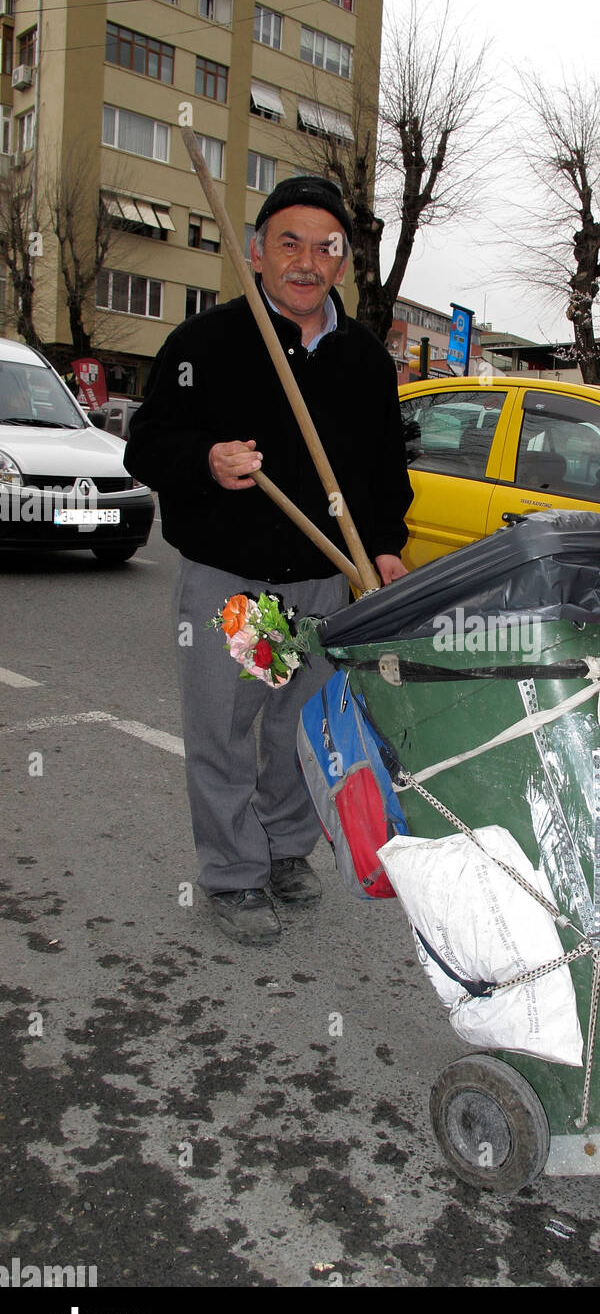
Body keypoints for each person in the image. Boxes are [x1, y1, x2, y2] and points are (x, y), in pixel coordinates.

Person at [125, 177, 413, 947]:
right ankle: (231, 874)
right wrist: (206, 459)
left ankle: (286, 851)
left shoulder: (365, 362)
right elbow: (145, 445)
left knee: (297, 729)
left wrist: (384, 547)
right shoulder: (204, 346)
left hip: (324, 583)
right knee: (226, 730)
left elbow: (387, 475)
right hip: (236, 585)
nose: (306, 260)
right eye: (289, 241)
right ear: (256, 252)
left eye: (326, 247)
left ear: (345, 265)